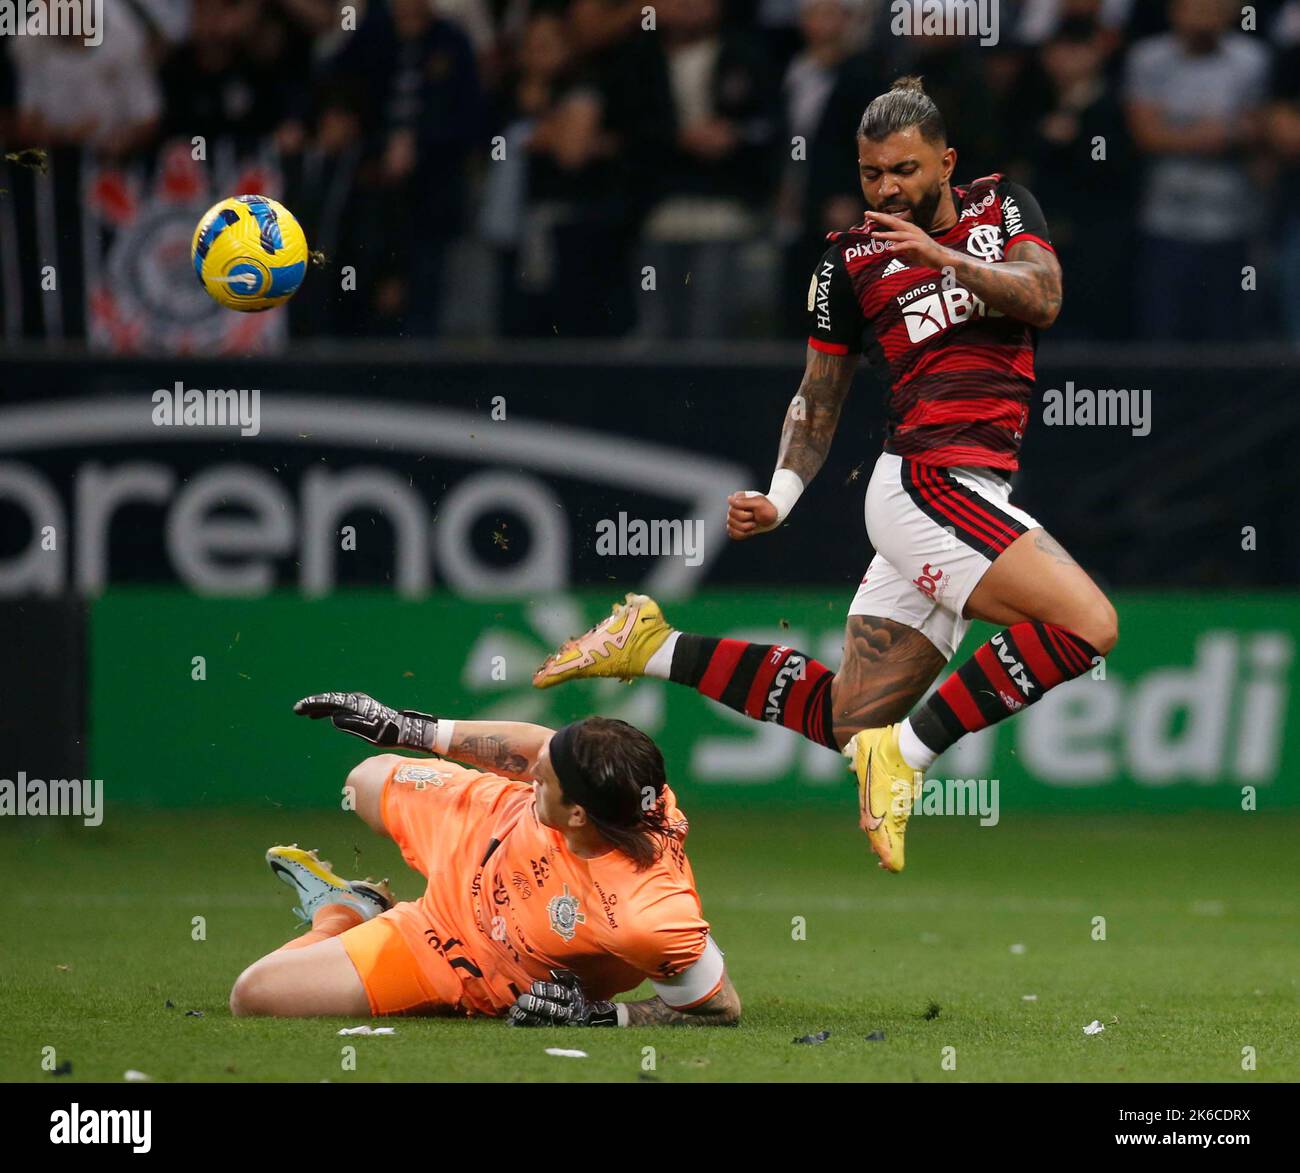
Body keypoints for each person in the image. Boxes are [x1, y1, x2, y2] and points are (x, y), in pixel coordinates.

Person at [532, 77, 1118, 876]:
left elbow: (1043, 296)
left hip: (974, 492)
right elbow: (817, 397)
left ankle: (652, 646)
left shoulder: (1003, 208)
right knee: (1088, 626)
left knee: (847, 718)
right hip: (924, 485)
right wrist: (780, 496)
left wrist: (944, 259)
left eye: (905, 171)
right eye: (872, 173)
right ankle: (905, 758)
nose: (887, 189)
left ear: (946, 162)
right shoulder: (848, 261)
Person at [230, 693, 740, 1027]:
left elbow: (716, 1009)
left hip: (466, 951)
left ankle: (347, 910)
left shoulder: (647, 915)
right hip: (488, 824)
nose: (535, 767)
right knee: (363, 779)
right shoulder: (625, 782)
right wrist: (411, 730)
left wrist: (606, 1015)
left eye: (546, 777)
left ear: (579, 814)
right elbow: (537, 748)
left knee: (255, 993)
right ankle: (365, 901)